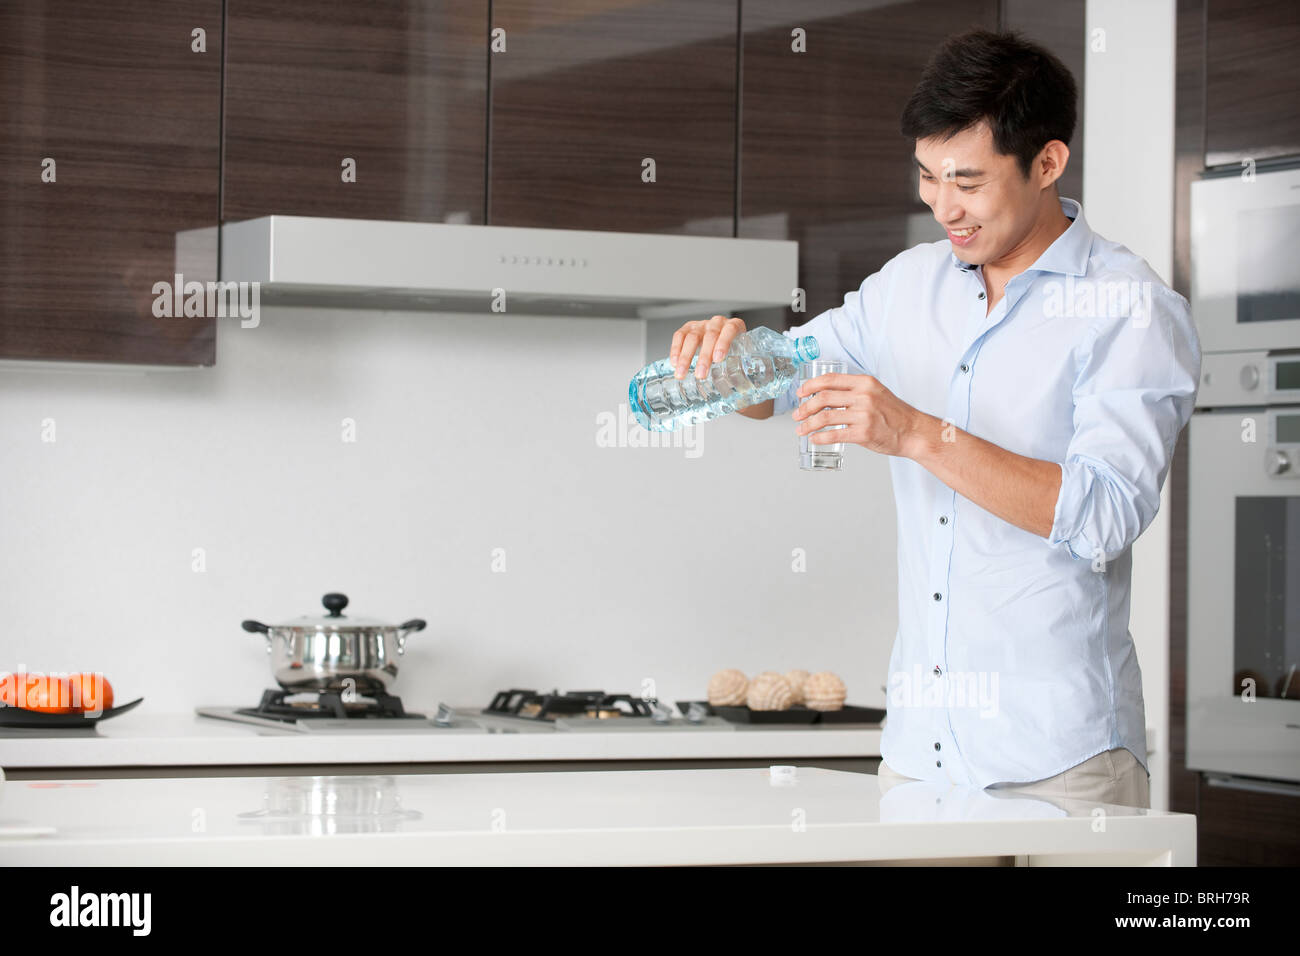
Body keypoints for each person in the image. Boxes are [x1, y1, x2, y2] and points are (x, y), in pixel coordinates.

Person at [667, 29, 1200, 808]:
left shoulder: (1130, 308)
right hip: (920, 756)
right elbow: (775, 384)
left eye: (969, 182)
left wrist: (917, 433)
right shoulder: (907, 286)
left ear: (1047, 164)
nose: (942, 205)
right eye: (925, 176)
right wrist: (729, 359)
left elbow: (1103, 514)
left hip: (1061, 763)